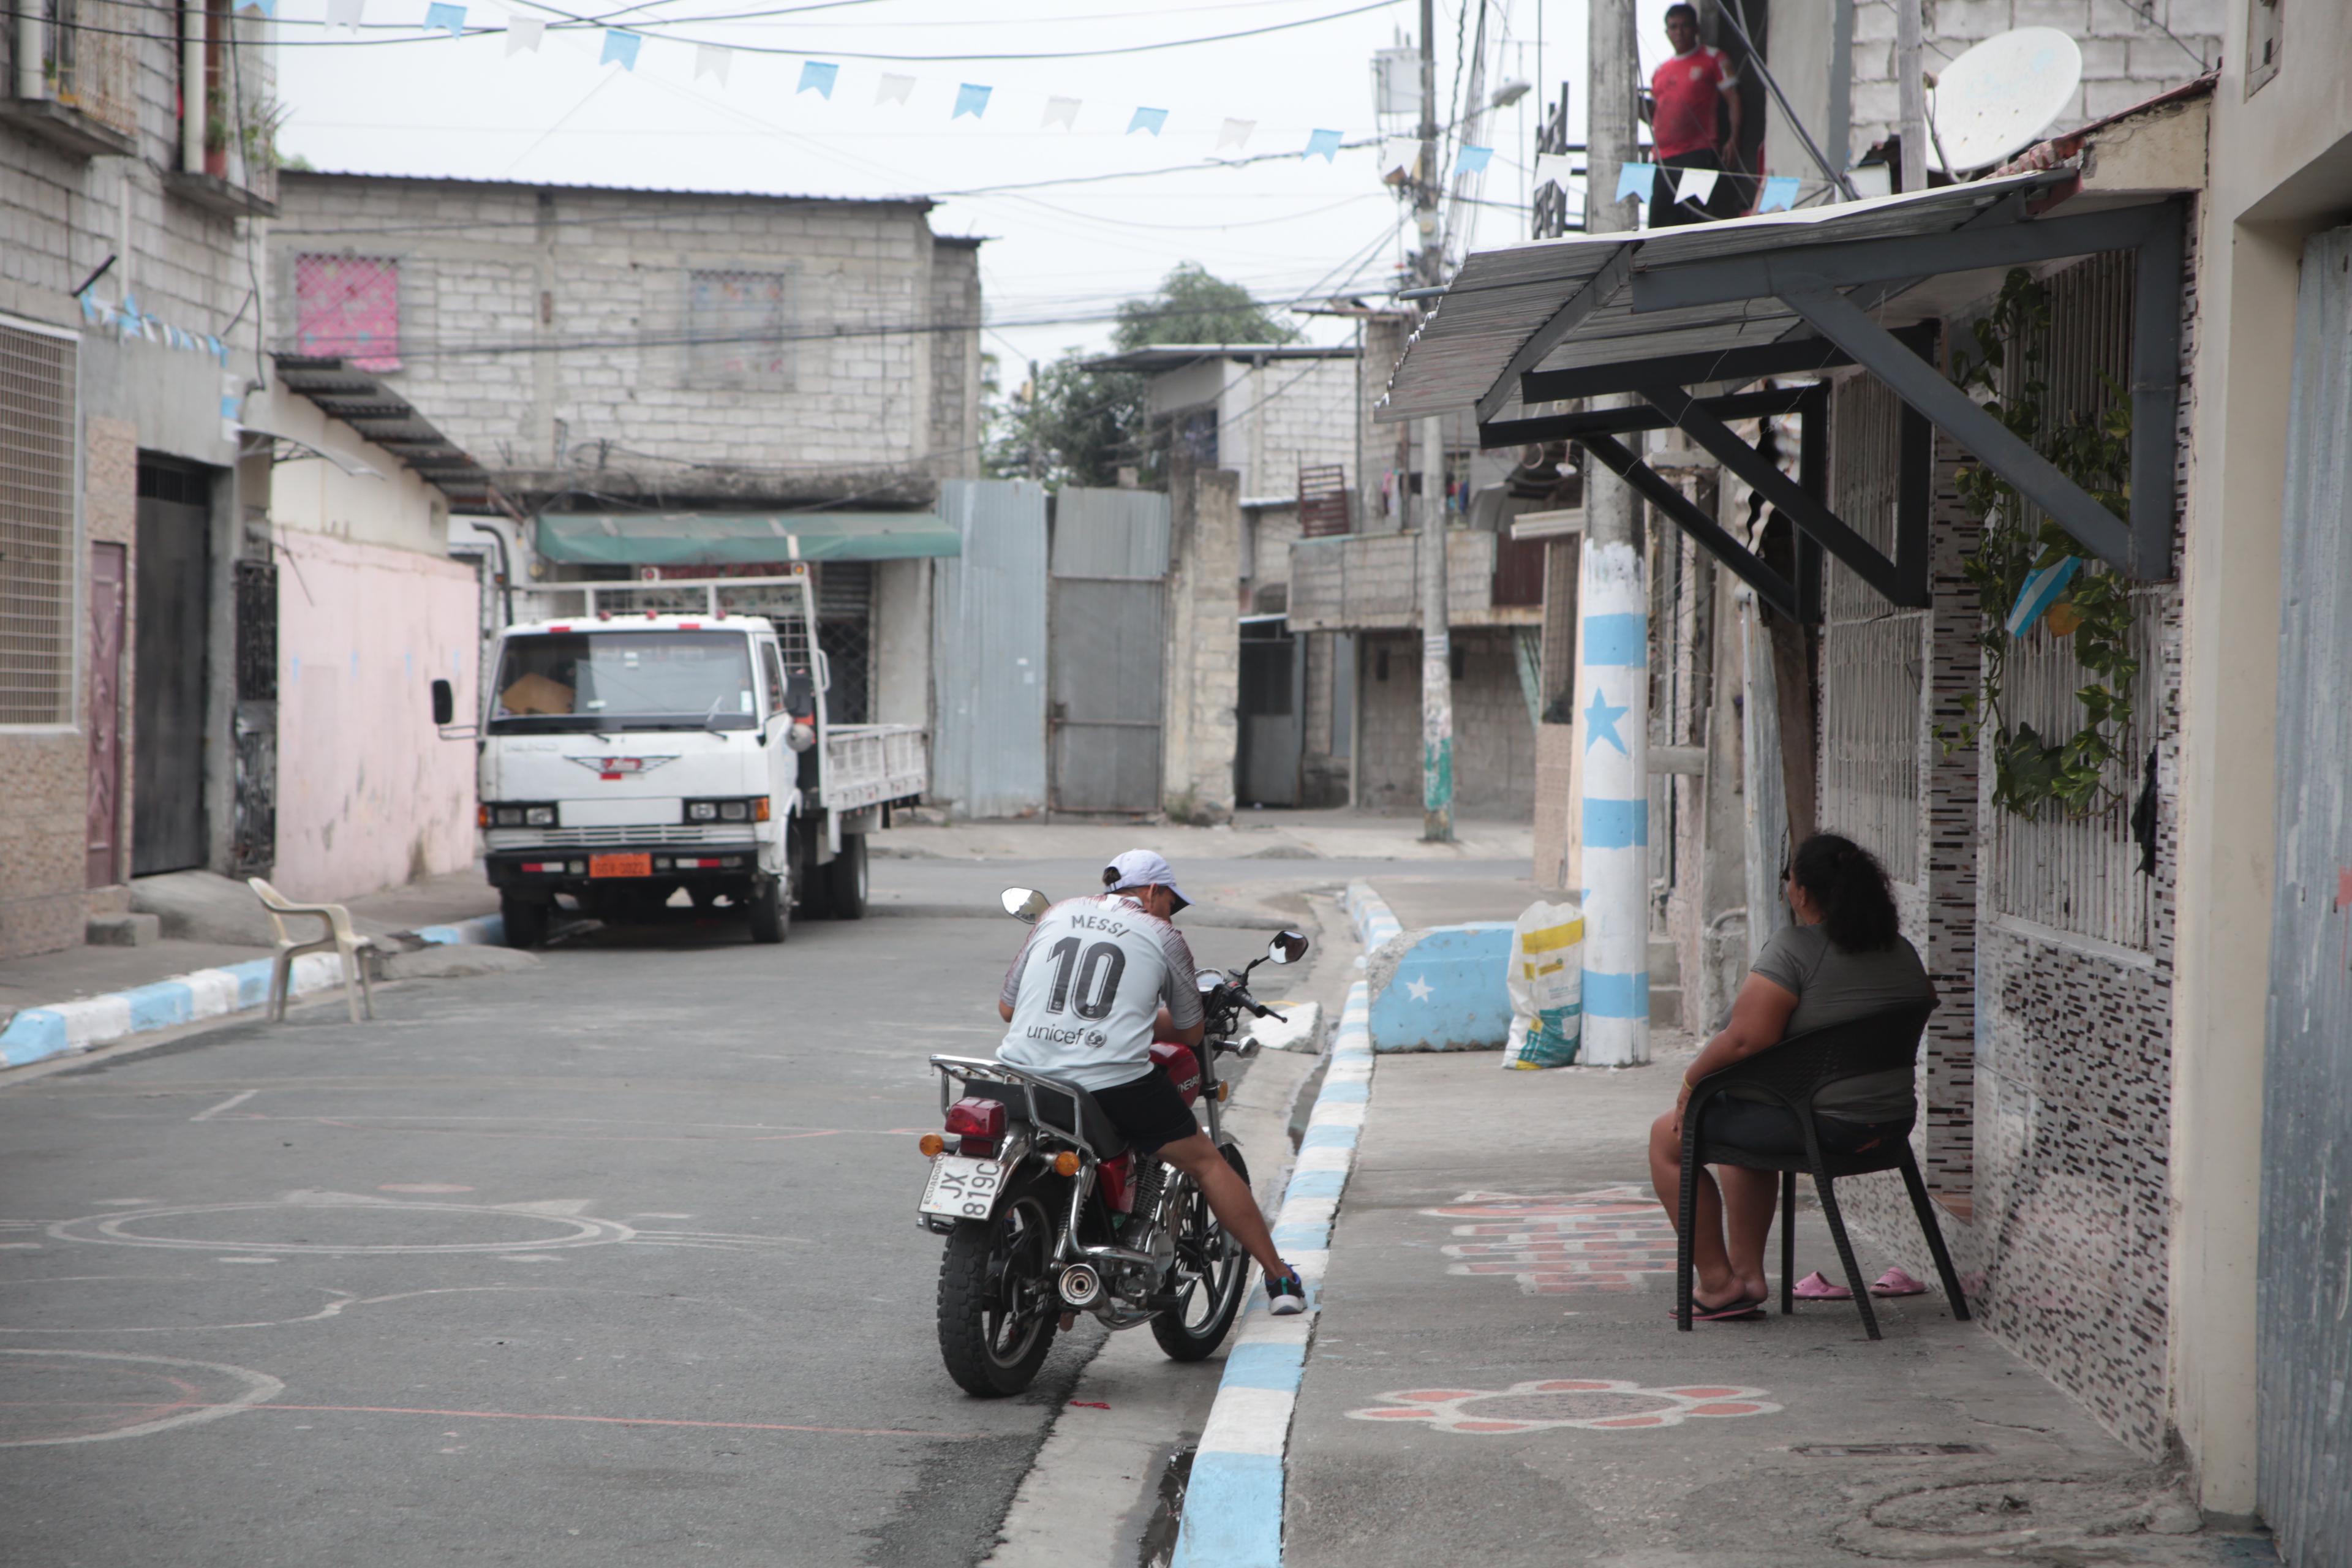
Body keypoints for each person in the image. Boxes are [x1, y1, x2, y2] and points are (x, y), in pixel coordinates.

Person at [998, 849, 1308, 1315]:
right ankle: (1279, 1276)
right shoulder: (1161, 933)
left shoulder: (1058, 912)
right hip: (1107, 1084)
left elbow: (1008, 1008)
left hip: (1019, 1073)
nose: (1170, 913)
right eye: (1171, 903)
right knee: (1206, 1162)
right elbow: (1190, 1031)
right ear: (1152, 891)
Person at [1647, 833, 1934, 1320]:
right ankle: (1746, 1277)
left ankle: (1717, 1284)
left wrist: (1691, 1083)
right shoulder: (1901, 950)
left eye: (1789, 879)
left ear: (1802, 892)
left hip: (1825, 1126)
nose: (1787, 888)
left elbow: (1745, 1040)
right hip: (1889, 1124)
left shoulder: (1795, 949)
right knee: (1742, 1119)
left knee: (1667, 1137)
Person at [1647, 2, 1742, 228]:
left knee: (1695, 221)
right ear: (1667, 32)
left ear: (1696, 29)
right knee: (1659, 225)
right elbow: (1656, 115)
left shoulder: (1713, 58)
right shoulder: (1660, 71)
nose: (1679, 32)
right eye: (1674, 27)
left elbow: (1734, 100)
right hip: (1663, 159)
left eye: (1685, 26)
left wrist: (1734, 139)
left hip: (1697, 154)